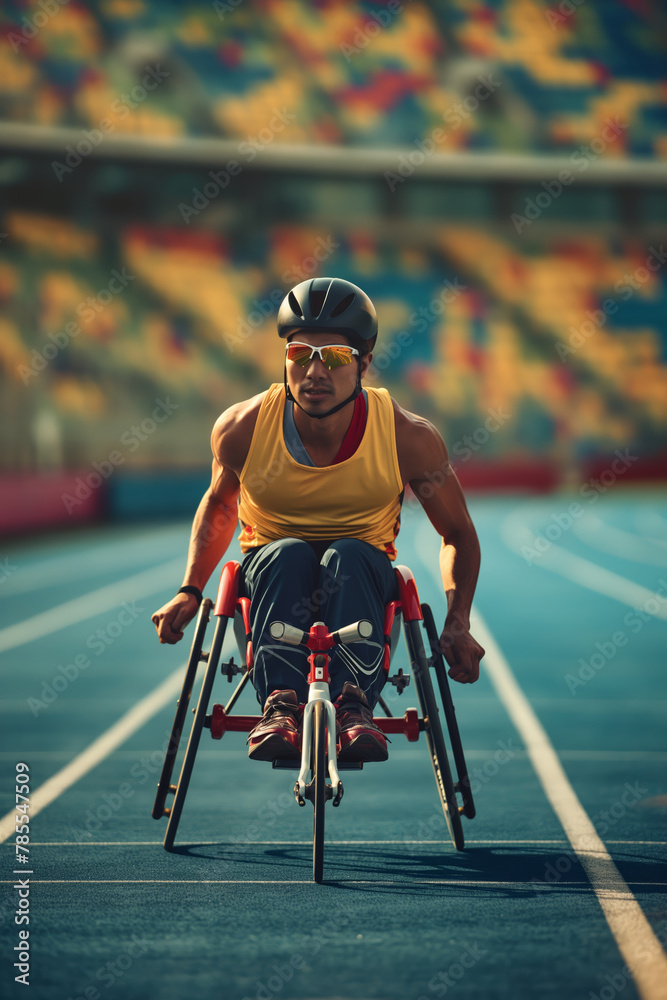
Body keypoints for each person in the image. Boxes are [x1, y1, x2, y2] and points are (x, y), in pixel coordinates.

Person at [152, 276, 485, 764]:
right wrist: (190, 588)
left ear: (364, 365)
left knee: (347, 553)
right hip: (270, 578)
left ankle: (355, 706)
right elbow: (221, 505)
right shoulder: (241, 428)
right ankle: (279, 705)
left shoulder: (407, 437)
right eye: (299, 354)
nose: (313, 371)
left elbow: (457, 532)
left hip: (362, 579)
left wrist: (458, 620)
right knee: (286, 553)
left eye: (332, 357)